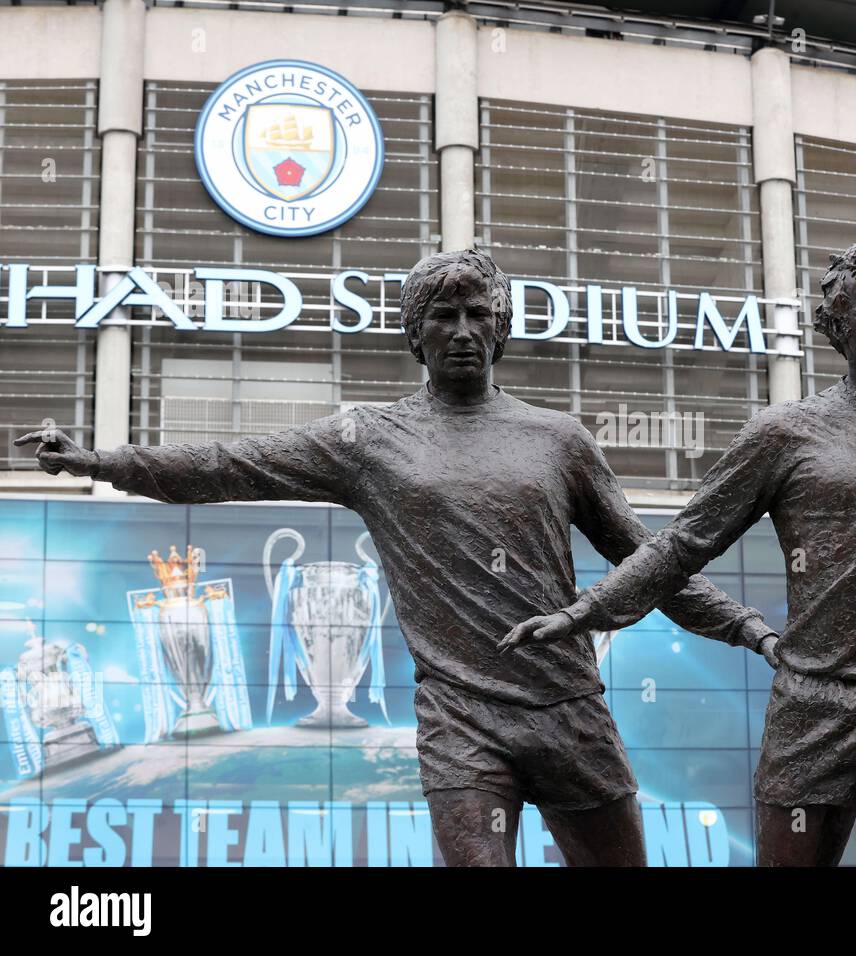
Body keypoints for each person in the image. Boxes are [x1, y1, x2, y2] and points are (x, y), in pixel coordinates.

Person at [15, 249, 778, 867]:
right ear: (415, 335)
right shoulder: (368, 441)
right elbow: (227, 462)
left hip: (568, 712)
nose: (462, 330)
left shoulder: (558, 441)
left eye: (478, 314)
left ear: (502, 330)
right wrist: (103, 462)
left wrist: (750, 630)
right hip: (460, 720)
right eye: (442, 316)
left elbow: (652, 562)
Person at [501, 237, 856, 866]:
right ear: (835, 327)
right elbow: (685, 545)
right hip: (815, 699)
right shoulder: (786, 434)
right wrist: (587, 611)